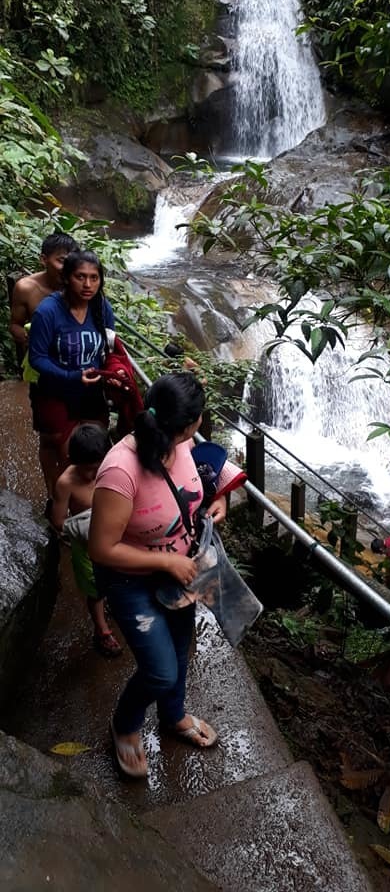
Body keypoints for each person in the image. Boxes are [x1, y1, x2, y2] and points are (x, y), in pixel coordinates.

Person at [88, 372, 246, 778]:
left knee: (179, 653)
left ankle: (173, 716)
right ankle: (125, 725)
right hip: (133, 579)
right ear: (189, 422)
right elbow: (102, 548)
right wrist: (165, 562)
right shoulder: (120, 472)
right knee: (159, 669)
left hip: (180, 571)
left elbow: (210, 475)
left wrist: (221, 499)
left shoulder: (182, 442)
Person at [28, 248, 115, 479]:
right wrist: (72, 376)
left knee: (94, 446)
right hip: (55, 389)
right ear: (67, 278)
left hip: (91, 390)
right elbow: (37, 358)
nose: (88, 284)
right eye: (80, 276)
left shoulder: (102, 307)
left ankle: (87, 500)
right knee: (54, 441)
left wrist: (114, 373)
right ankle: (55, 494)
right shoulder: (47, 312)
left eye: (94, 278)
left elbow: (110, 345)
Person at [9, 232, 80, 501]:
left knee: (78, 436)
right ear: (44, 260)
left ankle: (74, 494)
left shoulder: (78, 283)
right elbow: (14, 324)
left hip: (76, 371)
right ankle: (54, 493)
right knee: (50, 436)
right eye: (61, 261)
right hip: (43, 371)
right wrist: (29, 337)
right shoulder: (26, 288)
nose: (67, 267)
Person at [50, 423, 122, 657]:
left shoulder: (110, 470)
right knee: (95, 588)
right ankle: (101, 630)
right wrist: (83, 527)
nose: (93, 475)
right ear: (72, 460)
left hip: (112, 535)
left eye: (97, 467)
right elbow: (59, 520)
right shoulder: (66, 483)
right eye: (87, 470)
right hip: (86, 544)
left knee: (118, 575)